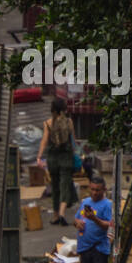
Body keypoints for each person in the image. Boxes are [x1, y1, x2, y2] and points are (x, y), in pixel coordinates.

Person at [36, 97, 78, 226]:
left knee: (55, 187)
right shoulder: (69, 122)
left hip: (52, 159)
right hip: (66, 158)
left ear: (52, 109)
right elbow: (73, 141)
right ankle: (61, 213)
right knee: (65, 185)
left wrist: (39, 157)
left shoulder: (48, 123)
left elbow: (44, 141)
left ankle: (54, 216)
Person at [75, 176, 113, 263]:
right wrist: (77, 223)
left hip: (98, 248)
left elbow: (109, 225)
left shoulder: (107, 204)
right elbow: (76, 218)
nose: (94, 193)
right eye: (92, 189)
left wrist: (94, 219)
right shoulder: (85, 202)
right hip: (84, 247)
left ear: (104, 190)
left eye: (97, 190)